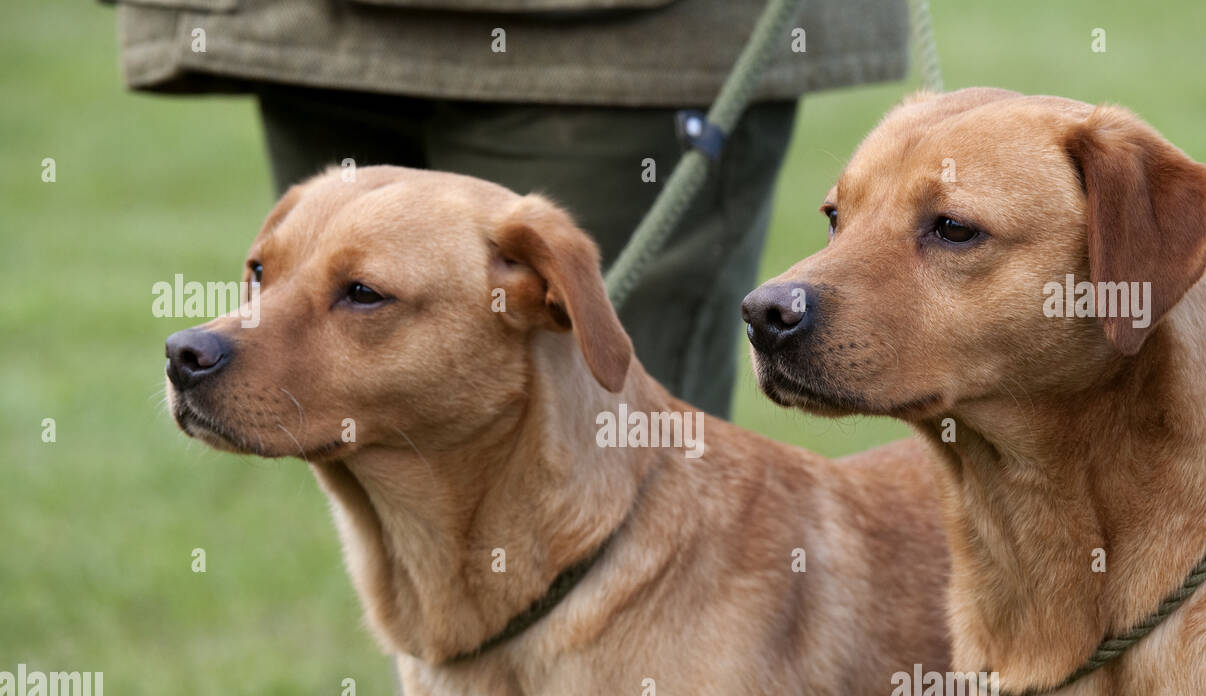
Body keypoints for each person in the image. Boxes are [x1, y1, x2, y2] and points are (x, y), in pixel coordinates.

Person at [115, 0, 908, 418]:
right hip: (303, 30)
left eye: (360, 290)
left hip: (625, 37)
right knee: (339, 409)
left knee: (632, 469)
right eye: (259, 275)